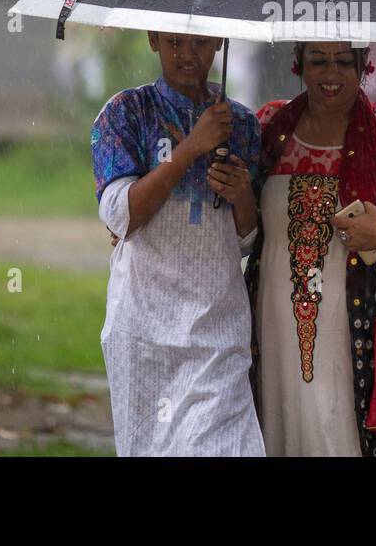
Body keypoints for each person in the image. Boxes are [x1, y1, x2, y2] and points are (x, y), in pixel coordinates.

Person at [246, 40, 376, 456]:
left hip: (357, 337)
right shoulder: (270, 126)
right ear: (298, 63)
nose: (330, 74)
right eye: (318, 60)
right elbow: (241, 225)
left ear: (364, 65)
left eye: (344, 61)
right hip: (272, 333)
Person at [92, 30, 264, 456]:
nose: (188, 54)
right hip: (144, 327)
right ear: (153, 39)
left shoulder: (241, 125)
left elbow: (246, 240)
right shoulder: (126, 113)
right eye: (174, 42)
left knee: (230, 446)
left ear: (220, 43)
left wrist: (242, 195)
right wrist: (189, 149)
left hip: (218, 325)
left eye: (201, 43)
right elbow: (122, 218)